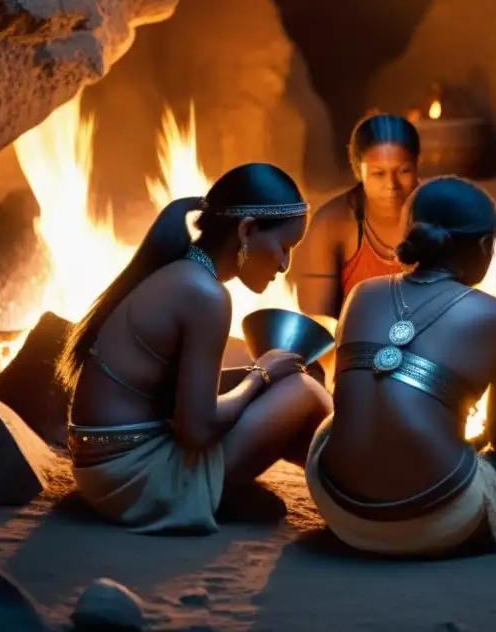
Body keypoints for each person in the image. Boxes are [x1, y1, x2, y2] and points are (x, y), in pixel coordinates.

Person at [59, 163, 333, 534]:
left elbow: (176, 397)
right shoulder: (205, 294)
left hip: (104, 468)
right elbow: (197, 430)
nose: (285, 265)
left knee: (286, 394)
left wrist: (259, 380)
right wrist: (260, 375)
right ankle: (364, 490)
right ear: (247, 230)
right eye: (284, 247)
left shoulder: (182, 274)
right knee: (304, 393)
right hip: (133, 478)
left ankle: (349, 485)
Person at [305, 176, 496, 557]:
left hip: (339, 510)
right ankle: (481, 524)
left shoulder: (361, 294)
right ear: (484, 246)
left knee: (345, 413)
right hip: (433, 523)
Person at [296, 113, 420, 320]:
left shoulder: (440, 215)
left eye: (404, 171)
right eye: (378, 173)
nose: (391, 185)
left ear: (417, 166)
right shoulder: (333, 223)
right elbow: (318, 322)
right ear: (357, 169)